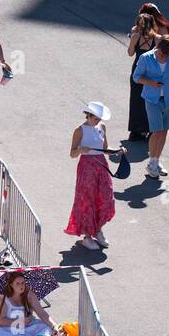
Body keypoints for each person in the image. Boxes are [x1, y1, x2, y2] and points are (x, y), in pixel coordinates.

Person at [132, 33, 169, 179]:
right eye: (163, 54)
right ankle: (151, 163)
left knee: (164, 131)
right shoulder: (146, 58)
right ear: (157, 48)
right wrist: (151, 83)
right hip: (152, 100)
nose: (165, 57)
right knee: (156, 131)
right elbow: (136, 77)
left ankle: (156, 161)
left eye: (167, 54)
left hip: (168, 99)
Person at [64, 101, 117, 251]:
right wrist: (81, 149)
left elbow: (105, 149)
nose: (98, 121)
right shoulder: (79, 130)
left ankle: (98, 230)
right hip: (87, 167)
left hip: (101, 165)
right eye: (96, 118)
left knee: (106, 199)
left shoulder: (102, 128)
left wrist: (117, 151)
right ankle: (87, 236)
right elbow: (72, 154)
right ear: (89, 115)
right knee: (87, 200)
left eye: (99, 118)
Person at [126, 5, 169, 139]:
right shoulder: (157, 39)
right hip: (152, 72)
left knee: (136, 100)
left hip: (138, 70)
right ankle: (151, 129)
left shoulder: (136, 37)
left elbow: (130, 53)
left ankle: (136, 131)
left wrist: (132, 38)